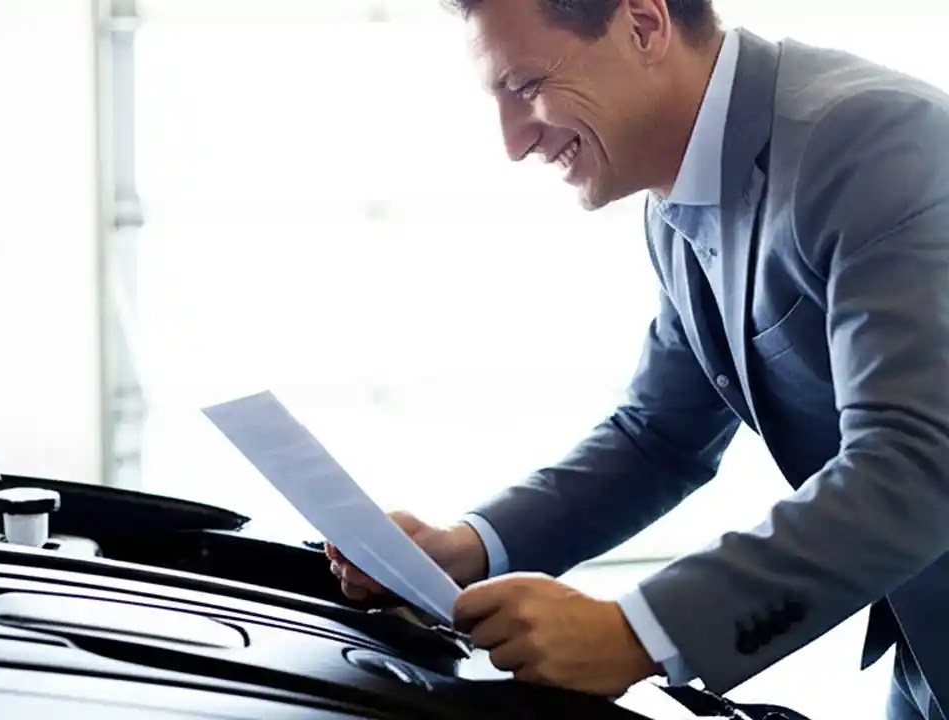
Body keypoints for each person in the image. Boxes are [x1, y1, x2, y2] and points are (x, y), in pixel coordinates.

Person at [324, 1, 949, 718]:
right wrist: (468, 548)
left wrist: (638, 633)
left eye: (526, 86)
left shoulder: (873, 140)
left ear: (644, 26)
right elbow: (659, 436)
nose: (513, 141)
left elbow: (921, 463)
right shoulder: (676, 203)